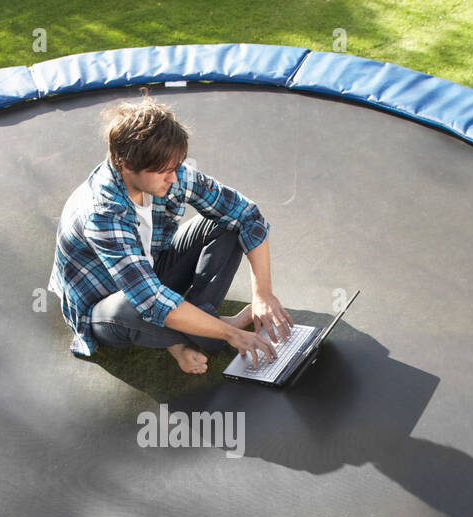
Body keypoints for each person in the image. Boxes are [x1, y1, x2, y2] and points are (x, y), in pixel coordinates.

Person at [48, 87, 293, 374]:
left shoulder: (169, 171)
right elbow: (148, 299)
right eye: (163, 170)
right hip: (104, 308)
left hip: (151, 272)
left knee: (224, 224)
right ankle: (207, 330)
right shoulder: (103, 214)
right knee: (130, 307)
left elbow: (246, 214)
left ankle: (200, 323)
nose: (174, 177)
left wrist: (263, 294)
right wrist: (230, 334)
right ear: (126, 164)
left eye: (175, 166)